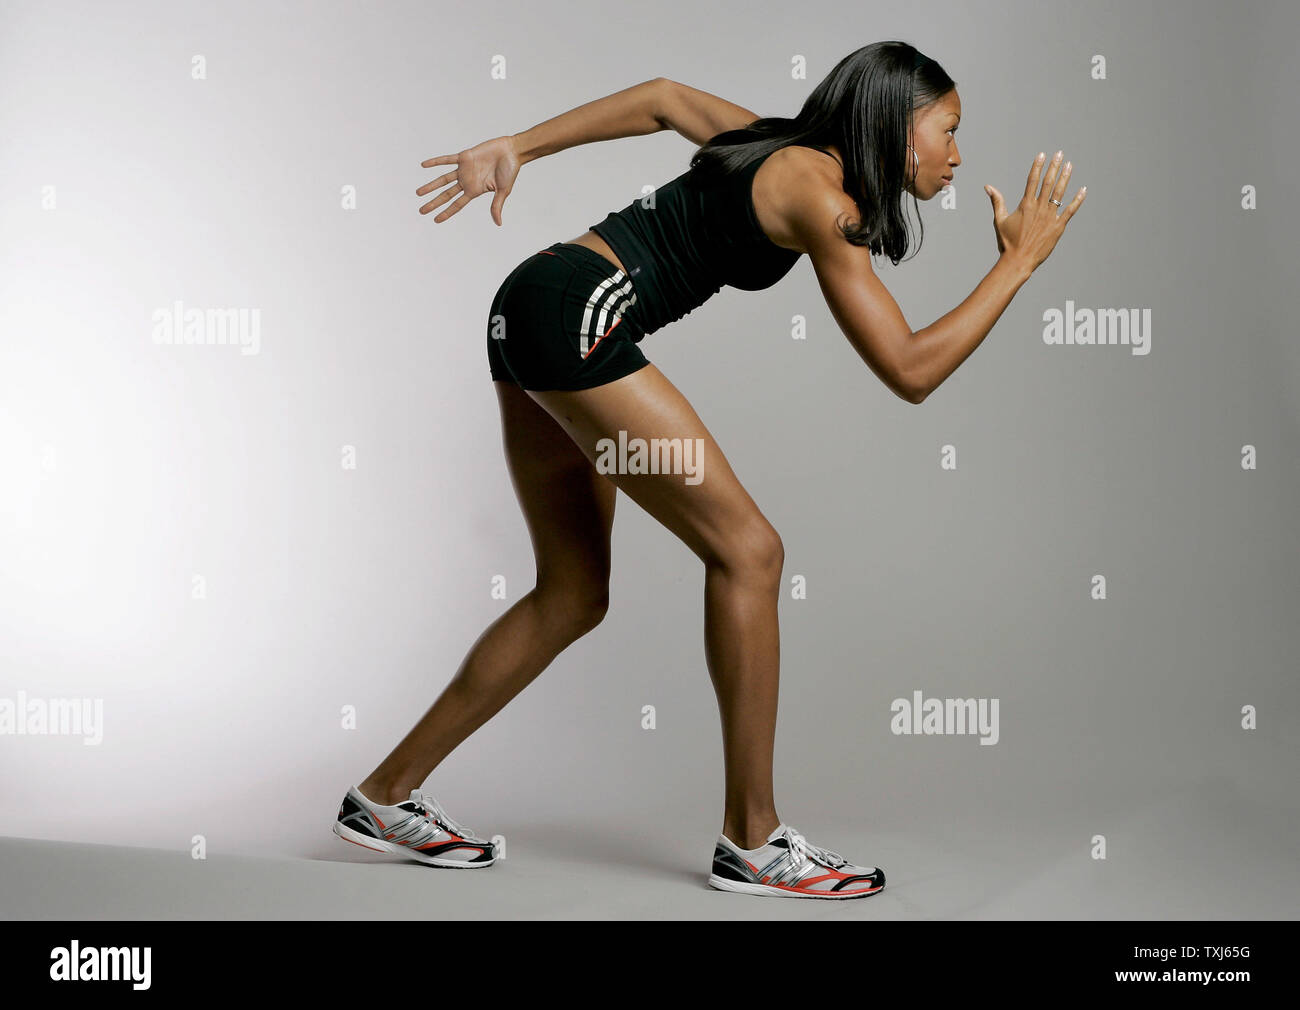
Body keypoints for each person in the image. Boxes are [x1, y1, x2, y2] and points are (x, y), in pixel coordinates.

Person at [332, 40, 1086, 899]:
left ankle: (383, 797)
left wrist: (519, 144)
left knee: (574, 593)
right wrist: (1018, 264)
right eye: (947, 131)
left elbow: (662, 98)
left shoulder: (774, 141)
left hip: (536, 298)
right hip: (581, 314)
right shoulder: (819, 195)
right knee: (750, 553)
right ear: (896, 123)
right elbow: (909, 369)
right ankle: (753, 840)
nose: (957, 154)